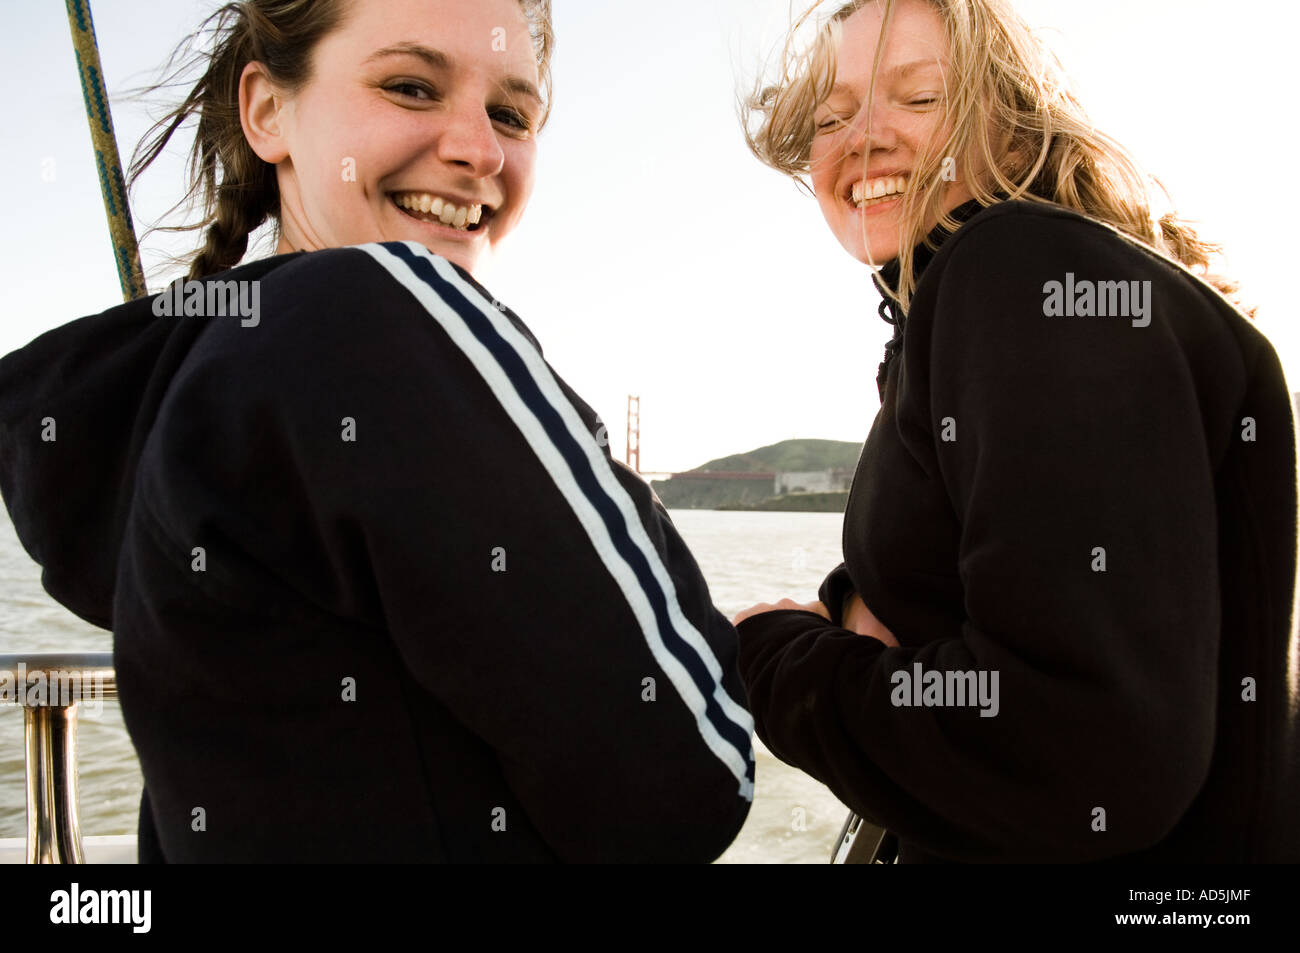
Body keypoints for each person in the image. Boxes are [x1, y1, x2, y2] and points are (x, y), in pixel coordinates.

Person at [0, 0, 754, 862]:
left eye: (511, 113)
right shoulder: (361, 314)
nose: (479, 149)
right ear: (267, 111)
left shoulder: (204, 376)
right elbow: (690, 774)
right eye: (409, 86)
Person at [733, 0, 1299, 862]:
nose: (864, 137)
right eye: (832, 116)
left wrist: (774, 658)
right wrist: (860, 599)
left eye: (917, 99)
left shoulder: (1017, 273)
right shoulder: (1049, 284)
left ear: (1013, 128)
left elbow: (1078, 750)